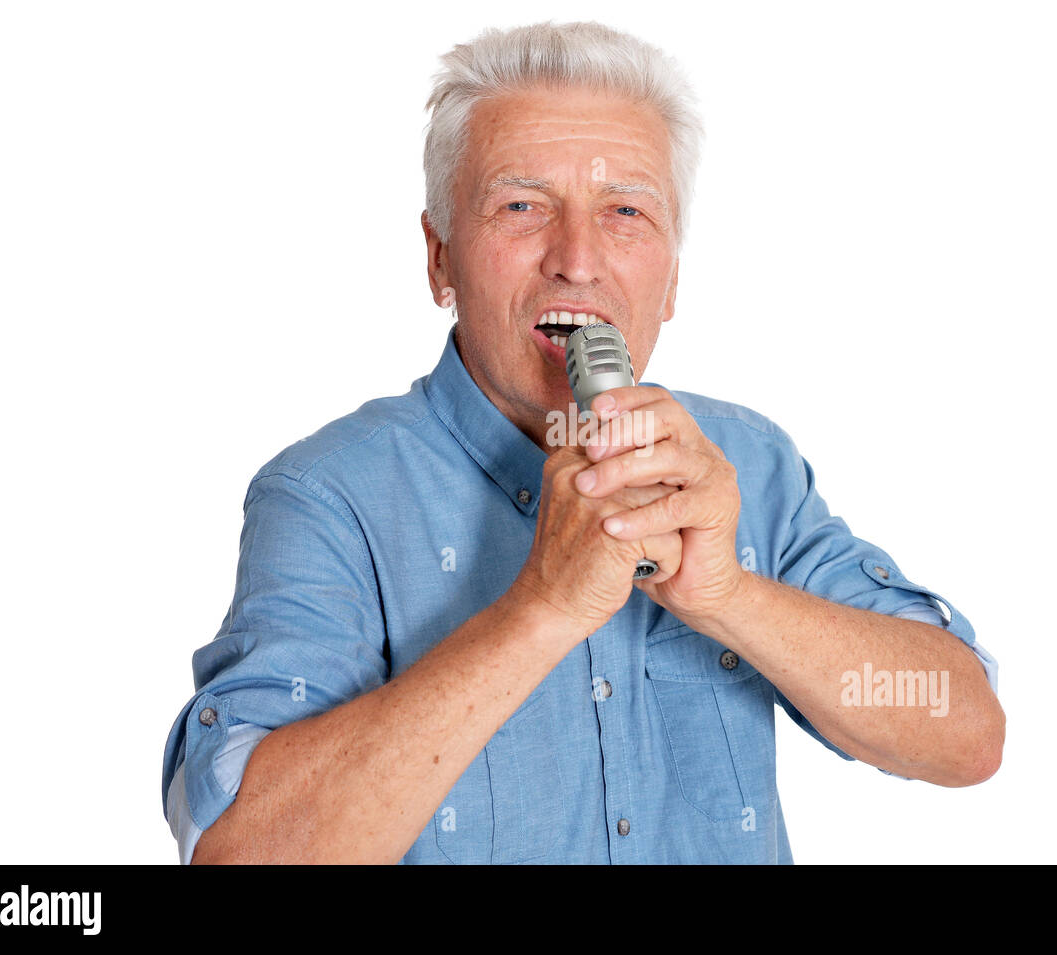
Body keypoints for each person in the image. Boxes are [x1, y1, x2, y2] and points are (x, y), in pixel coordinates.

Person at [161, 20, 1004, 865]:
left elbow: (967, 734)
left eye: (625, 212)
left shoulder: (747, 463)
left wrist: (728, 596)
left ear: (672, 278)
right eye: (521, 206)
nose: (577, 259)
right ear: (439, 257)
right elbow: (242, 852)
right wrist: (544, 608)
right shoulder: (330, 494)